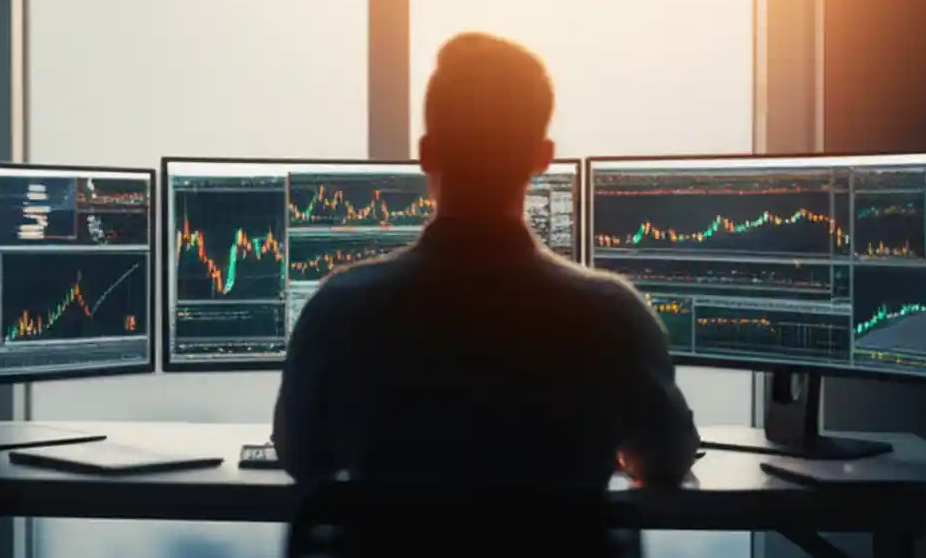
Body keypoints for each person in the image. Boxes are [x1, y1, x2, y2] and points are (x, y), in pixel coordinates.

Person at [272, 31, 699, 491]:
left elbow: (302, 456)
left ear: (427, 153)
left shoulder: (341, 307)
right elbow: (666, 461)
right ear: (543, 158)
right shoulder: (611, 312)